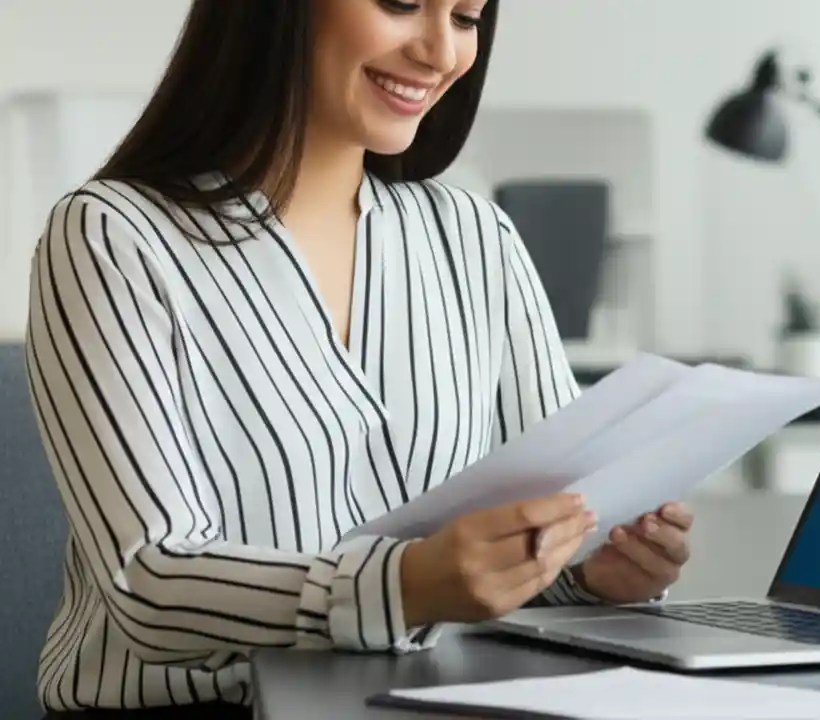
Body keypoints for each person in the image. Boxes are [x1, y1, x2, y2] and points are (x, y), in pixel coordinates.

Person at [26, 1, 693, 716]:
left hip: (426, 701)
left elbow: (549, 525)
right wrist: (401, 585)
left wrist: (595, 570)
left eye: (466, 18)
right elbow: (145, 584)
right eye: (402, 3)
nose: (441, 52)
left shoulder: (476, 238)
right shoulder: (112, 236)